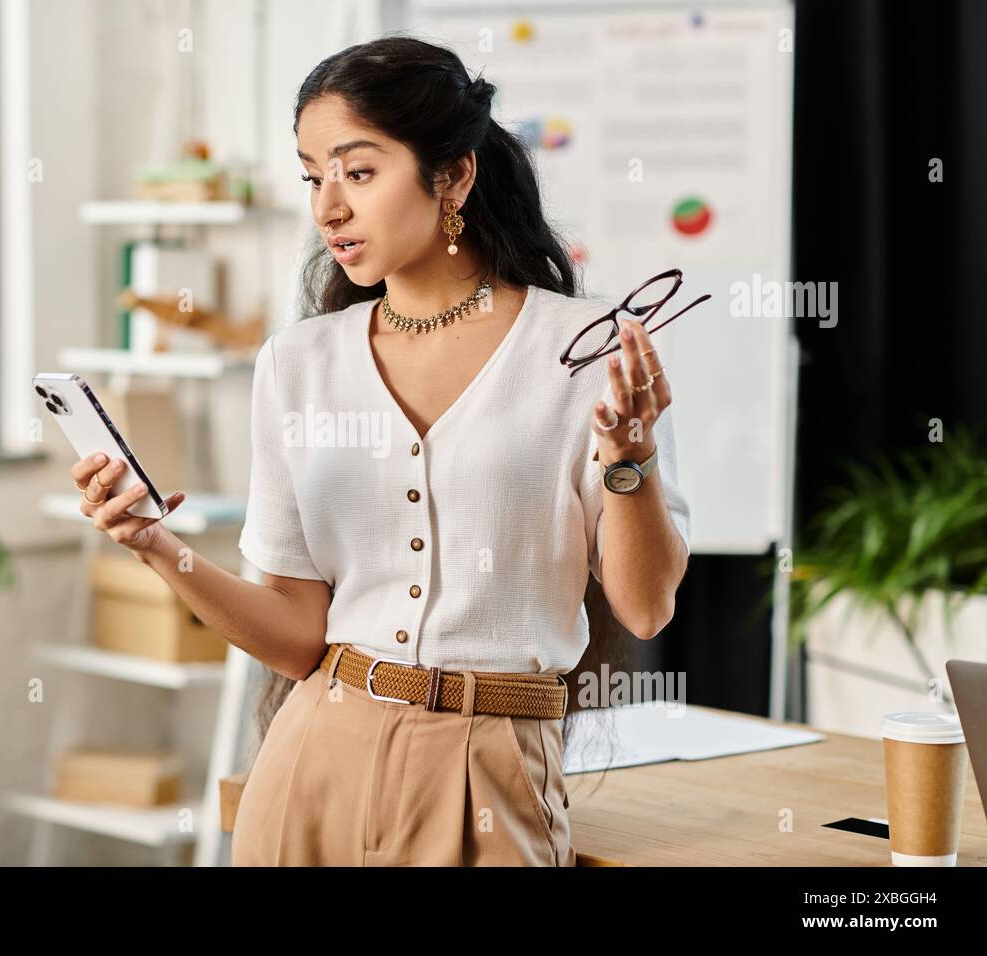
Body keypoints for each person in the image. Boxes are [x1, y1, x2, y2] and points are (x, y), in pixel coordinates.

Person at [69, 34, 692, 866]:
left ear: (454, 177)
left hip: (491, 767)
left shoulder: (589, 350)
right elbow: (296, 635)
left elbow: (645, 606)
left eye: (358, 172)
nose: (328, 207)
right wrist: (154, 546)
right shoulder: (298, 364)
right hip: (314, 758)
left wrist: (630, 462)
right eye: (312, 176)